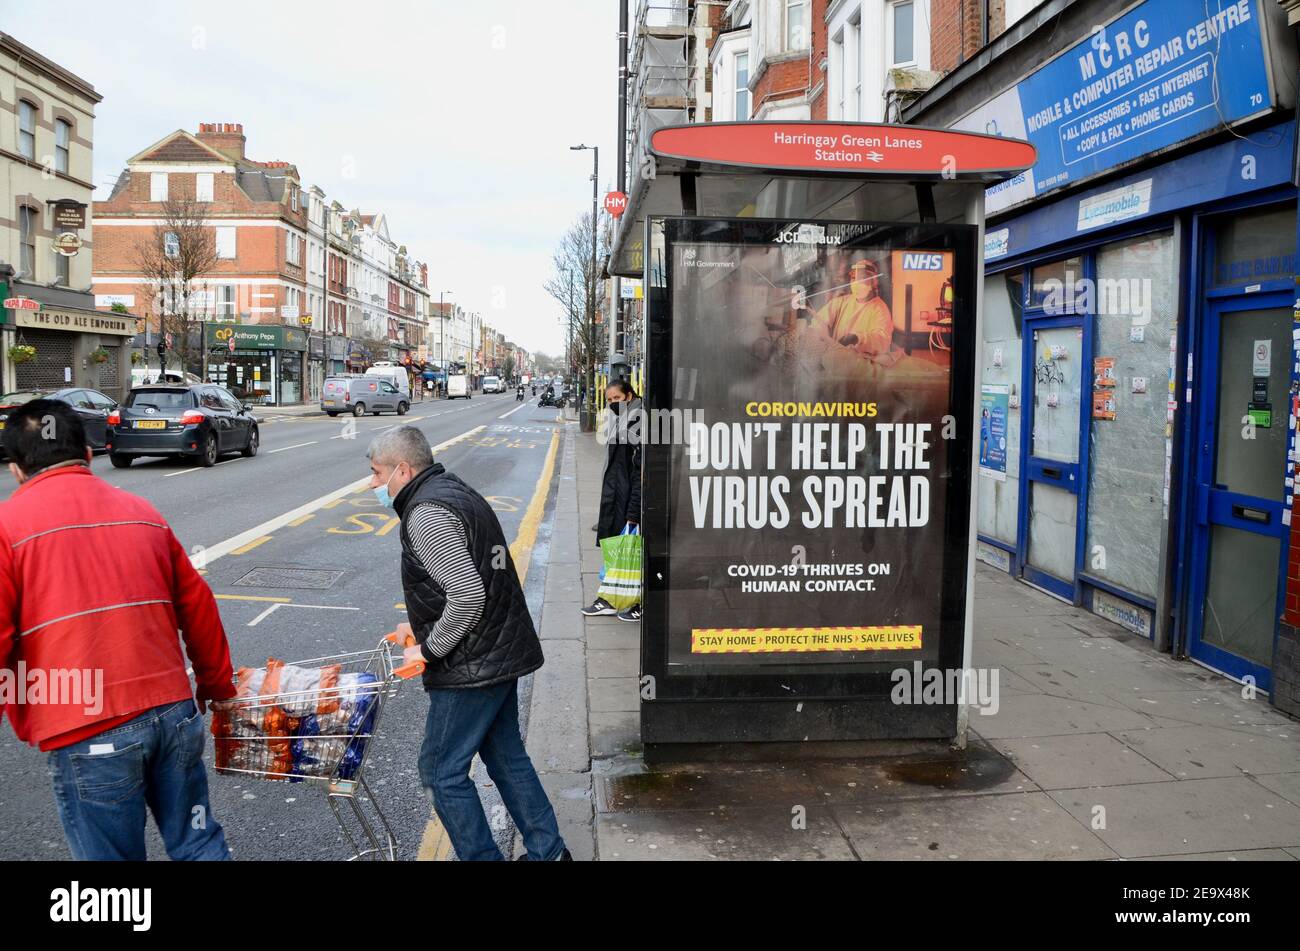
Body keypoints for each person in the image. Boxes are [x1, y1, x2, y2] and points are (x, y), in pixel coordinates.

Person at [0, 399, 235, 860]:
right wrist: (217, 685)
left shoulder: (8, 527)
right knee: (198, 842)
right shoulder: (142, 510)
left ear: (16, 470)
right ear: (89, 456)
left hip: (87, 728)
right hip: (172, 714)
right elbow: (197, 605)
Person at [367, 426, 570, 861]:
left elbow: (466, 593)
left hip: (472, 665)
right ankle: (549, 853)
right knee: (506, 757)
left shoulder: (424, 514)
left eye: (376, 473)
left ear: (402, 470)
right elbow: (464, 576)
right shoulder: (450, 489)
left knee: (441, 770)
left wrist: (428, 649)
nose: (372, 484)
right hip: (497, 650)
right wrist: (417, 623)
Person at [582, 379, 643, 623]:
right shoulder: (623, 420)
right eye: (609, 400)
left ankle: (630, 602)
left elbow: (641, 472)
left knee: (628, 553)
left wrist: (634, 511)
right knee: (616, 551)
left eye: (616, 398)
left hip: (627, 500)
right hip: (616, 496)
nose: (612, 403)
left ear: (629, 396)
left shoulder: (639, 422)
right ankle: (610, 600)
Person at [810, 258, 894, 357]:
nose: (856, 283)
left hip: (863, 364)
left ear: (873, 282)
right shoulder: (841, 302)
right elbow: (818, 321)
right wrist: (818, 337)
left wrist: (857, 338)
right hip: (837, 359)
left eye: (862, 278)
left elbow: (882, 340)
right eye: (854, 278)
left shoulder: (880, 309)